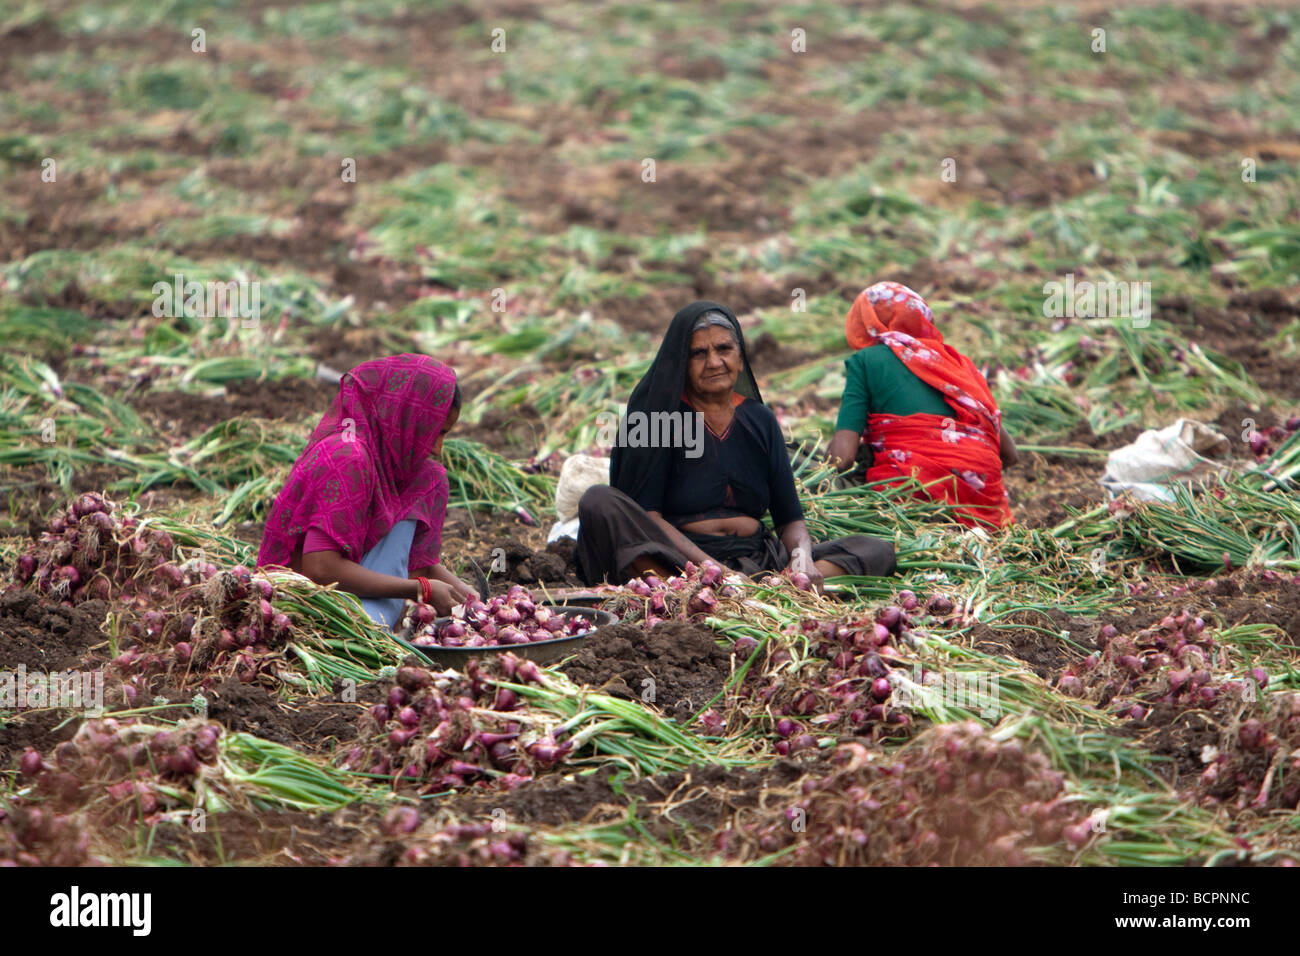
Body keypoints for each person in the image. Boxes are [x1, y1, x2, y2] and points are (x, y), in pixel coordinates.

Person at [575, 301, 896, 589]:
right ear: (680, 364)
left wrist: (802, 559)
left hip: (757, 559)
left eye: (724, 349)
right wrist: (713, 570)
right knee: (598, 500)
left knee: (875, 549)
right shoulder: (658, 421)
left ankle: (779, 588)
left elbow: (790, 519)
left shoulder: (760, 420)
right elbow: (648, 518)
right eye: (698, 353)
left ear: (740, 359)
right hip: (678, 560)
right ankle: (688, 590)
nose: (714, 362)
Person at [257, 354, 476, 628]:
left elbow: (416, 563)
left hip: (360, 608)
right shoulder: (348, 457)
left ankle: (377, 626)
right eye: (435, 432)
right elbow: (321, 568)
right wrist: (419, 589)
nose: (437, 448)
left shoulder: (406, 473)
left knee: (430, 477)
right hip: (305, 609)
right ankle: (369, 630)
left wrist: (468, 597)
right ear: (406, 414)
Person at [826, 282, 1017, 529]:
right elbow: (1011, 455)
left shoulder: (866, 360)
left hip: (912, 495)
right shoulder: (957, 364)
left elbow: (842, 458)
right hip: (986, 510)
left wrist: (814, 479)